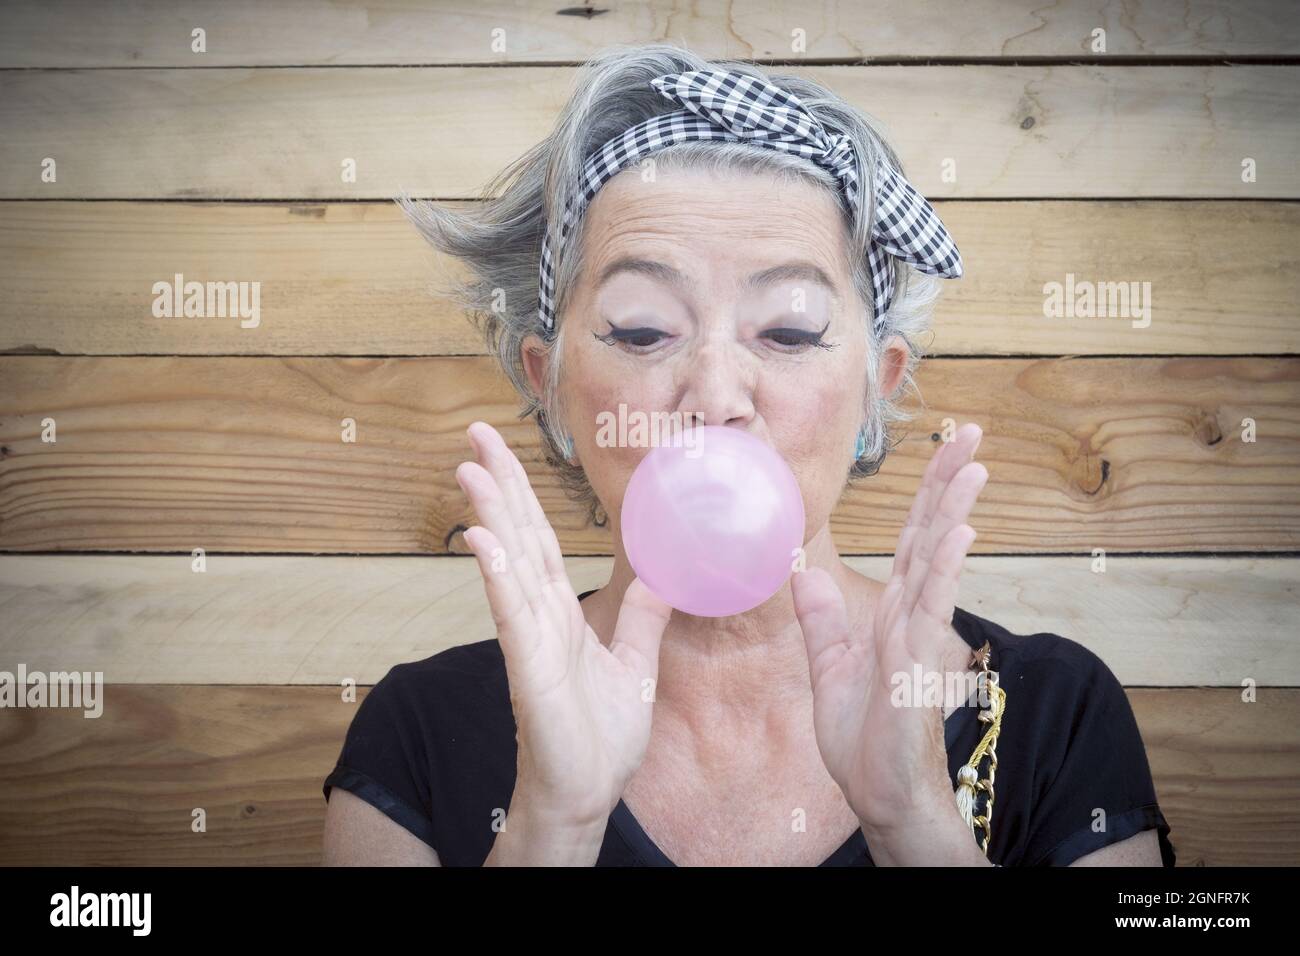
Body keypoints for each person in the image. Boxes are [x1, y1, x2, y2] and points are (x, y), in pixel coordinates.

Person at [322, 42, 1176, 867]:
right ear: (553, 389)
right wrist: (555, 825)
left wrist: (916, 822)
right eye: (645, 329)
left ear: (877, 387)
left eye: (791, 331)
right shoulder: (415, 735)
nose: (717, 398)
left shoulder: (1055, 714)